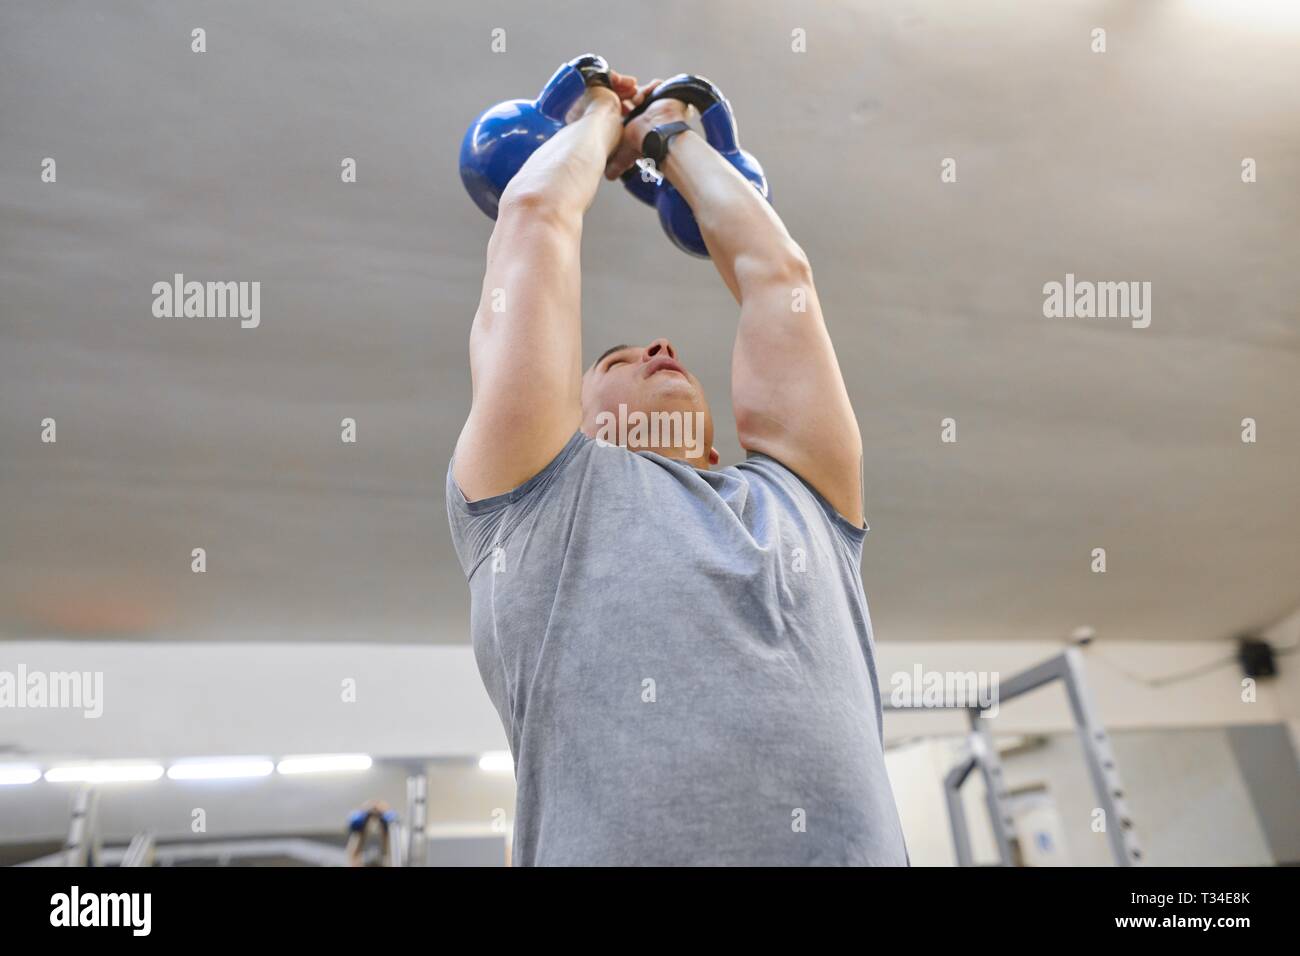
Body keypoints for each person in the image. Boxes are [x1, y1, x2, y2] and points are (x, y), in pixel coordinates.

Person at [446, 68, 909, 866]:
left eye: (659, 348)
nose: (659, 348)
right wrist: (598, 115)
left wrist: (670, 135)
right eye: (619, 359)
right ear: (575, 414)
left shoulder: (804, 496)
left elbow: (779, 276)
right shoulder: (535, 498)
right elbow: (534, 218)